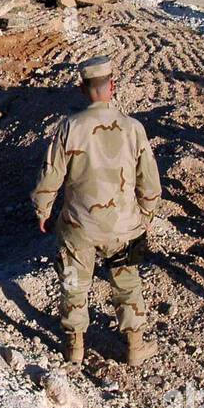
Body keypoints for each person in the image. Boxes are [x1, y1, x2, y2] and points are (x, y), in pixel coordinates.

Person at [32, 56, 162, 366]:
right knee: (126, 281)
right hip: (124, 227)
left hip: (80, 226)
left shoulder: (69, 127)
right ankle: (134, 346)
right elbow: (150, 181)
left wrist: (43, 211)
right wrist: (145, 215)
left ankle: (74, 346)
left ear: (82, 88)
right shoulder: (134, 129)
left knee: (74, 282)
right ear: (112, 87)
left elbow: (50, 175)